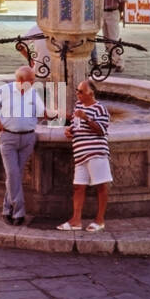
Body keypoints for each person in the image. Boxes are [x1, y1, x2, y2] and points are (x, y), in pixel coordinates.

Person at [0, 65, 50, 225]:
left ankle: (6, 208)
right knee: (13, 174)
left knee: (15, 175)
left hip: (28, 139)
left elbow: (42, 112)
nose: (34, 81)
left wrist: (58, 115)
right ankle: (19, 211)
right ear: (20, 80)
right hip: (8, 139)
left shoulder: (32, 91)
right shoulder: (6, 90)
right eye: (31, 79)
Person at [58, 79, 111, 232]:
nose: (77, 93)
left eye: (81, 91)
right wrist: (69, 131)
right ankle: (76, 221)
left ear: (91, 93)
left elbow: (101, 130)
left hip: (96, 152)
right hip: (80, 153)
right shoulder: (78, 107)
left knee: (101, 186)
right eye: (77, 90)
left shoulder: (100, 109)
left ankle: (100, 220)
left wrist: (87, 118)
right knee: (78, 187)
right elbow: (76, 126)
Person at [100, 0, 126, 70]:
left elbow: (122, 0)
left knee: (113, 38)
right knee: (106, 38)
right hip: (103, 13)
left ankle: (120, 62)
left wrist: (120, 12)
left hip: (113, 12)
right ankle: (111, 61)